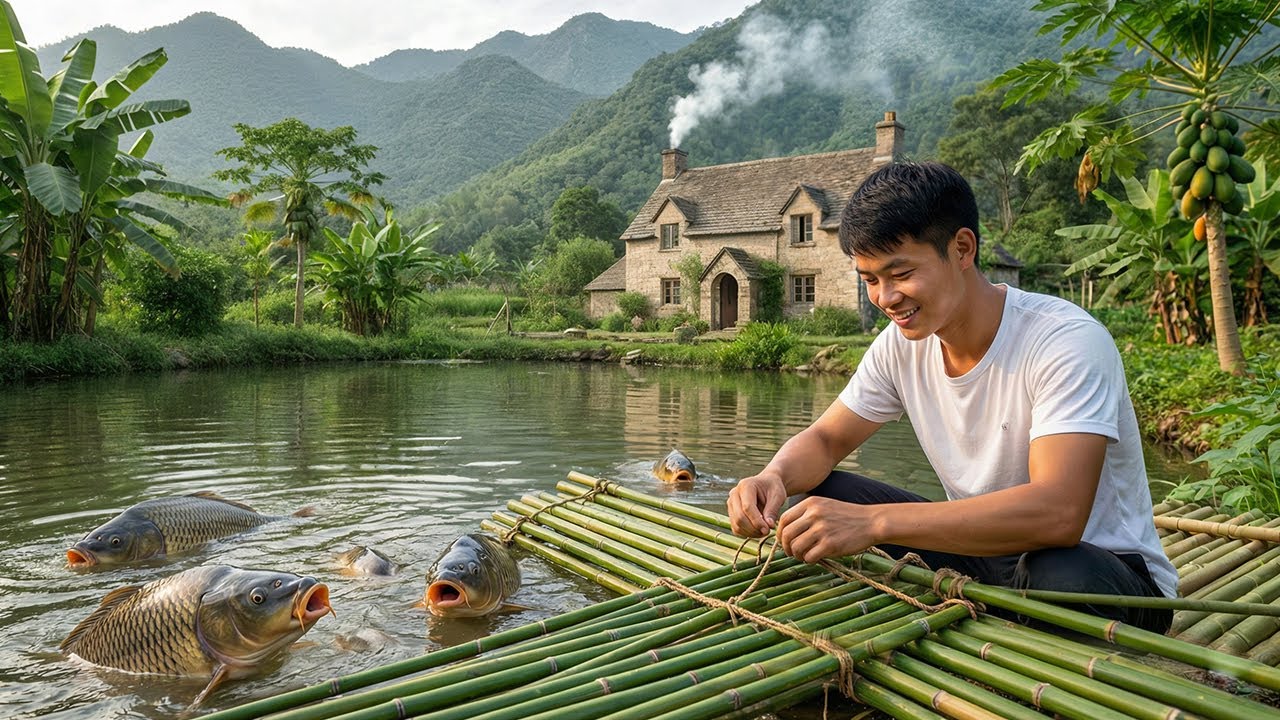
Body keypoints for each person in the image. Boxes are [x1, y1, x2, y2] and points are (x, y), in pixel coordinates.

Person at [726, 161, 1177, 632]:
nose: (885, 297)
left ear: (962, 248)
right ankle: (990, 610)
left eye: (899, 273)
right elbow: (825, 441)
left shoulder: (1065, 341)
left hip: (1104, 574)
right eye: (869, 279)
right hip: (985, 556)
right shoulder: (901, 345)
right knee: (820, 493)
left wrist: (875, 524)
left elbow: (1058, 513)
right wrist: (773, 476)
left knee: (1058, 572)